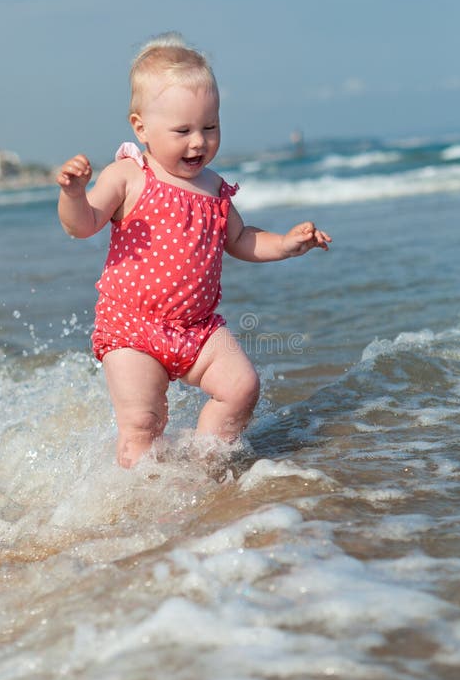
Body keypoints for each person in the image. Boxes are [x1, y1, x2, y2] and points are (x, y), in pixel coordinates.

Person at [57, 33, 331, 467]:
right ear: (141, 126)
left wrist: (287, 244)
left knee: (242, 387)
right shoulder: (129, 175)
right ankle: (141, 501)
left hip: (197, 329)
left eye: (210, 127)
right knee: (143, 425)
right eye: (182, 130)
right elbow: (83, 224)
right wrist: (74, 194)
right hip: (132, 328)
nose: (198, 142)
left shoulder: (215, 188)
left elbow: (240, 240)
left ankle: (204, 467)